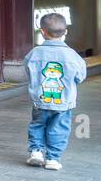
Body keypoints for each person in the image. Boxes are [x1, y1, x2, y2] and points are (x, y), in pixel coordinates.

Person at [25, 12, 87, 171]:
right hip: (63, 102)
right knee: (59, 128)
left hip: (40, 101)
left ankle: (36, 151)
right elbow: (80, 77)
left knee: (37, 124)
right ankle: (53, 158)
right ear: (65, 32)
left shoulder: (34, 53)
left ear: (42, 31)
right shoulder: (72, 55)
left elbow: (28, 70)